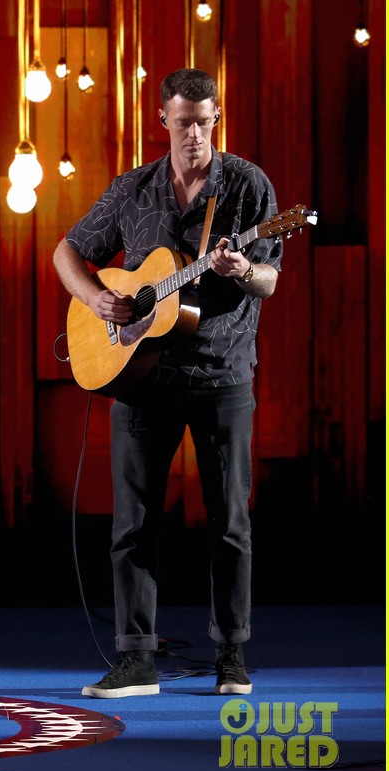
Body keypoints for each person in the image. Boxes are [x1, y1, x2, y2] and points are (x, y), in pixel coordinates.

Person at [53, 68, 282, 699]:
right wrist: (99, 297)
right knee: (134, 522)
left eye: (205, 122)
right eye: (183, 122)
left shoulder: (247, 186)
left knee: (229, 521)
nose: (194, 135)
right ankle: (136, 660)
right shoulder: (133, 189)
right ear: (164, 121)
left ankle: (231, 656)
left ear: (217, 119)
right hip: (141, 378)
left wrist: (241, 270)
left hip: (223, 373)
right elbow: (67, 252)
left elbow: (270, 280)